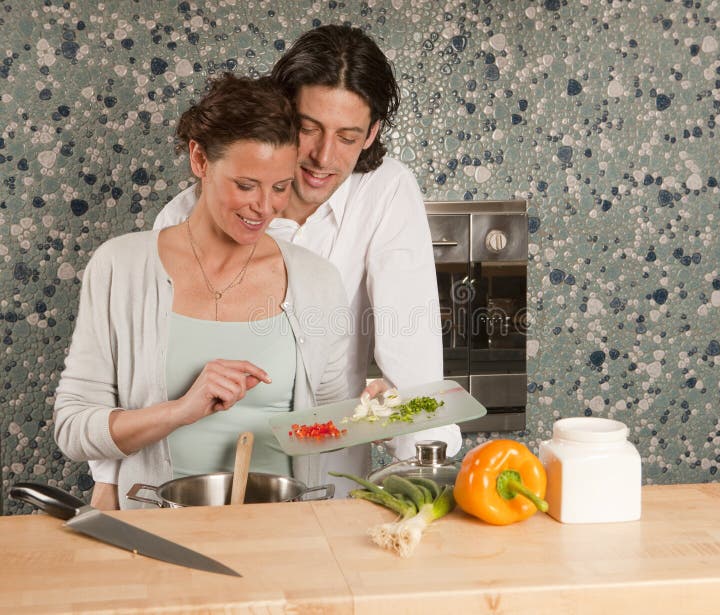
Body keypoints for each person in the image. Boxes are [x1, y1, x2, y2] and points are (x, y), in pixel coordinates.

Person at [153, 25, 463, 490]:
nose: (322, 156)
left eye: (347, 136)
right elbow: (141, 372)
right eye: (309, 128)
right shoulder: (185, 217)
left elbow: (410, 341)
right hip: (202, 477)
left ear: (372, 133)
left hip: (327, 478)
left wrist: (419, 456)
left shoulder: (385, 191)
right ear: (282, 112)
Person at [55, 74, 353, 509]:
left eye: (281, 187)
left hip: (284, 534)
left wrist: (370, 414)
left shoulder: (318, 280)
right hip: (158, 528)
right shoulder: (120, 266)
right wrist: (182, 410)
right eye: (246, 185)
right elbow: (73, 428)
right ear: (200, 159)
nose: (265, 207)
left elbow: (328, 430)